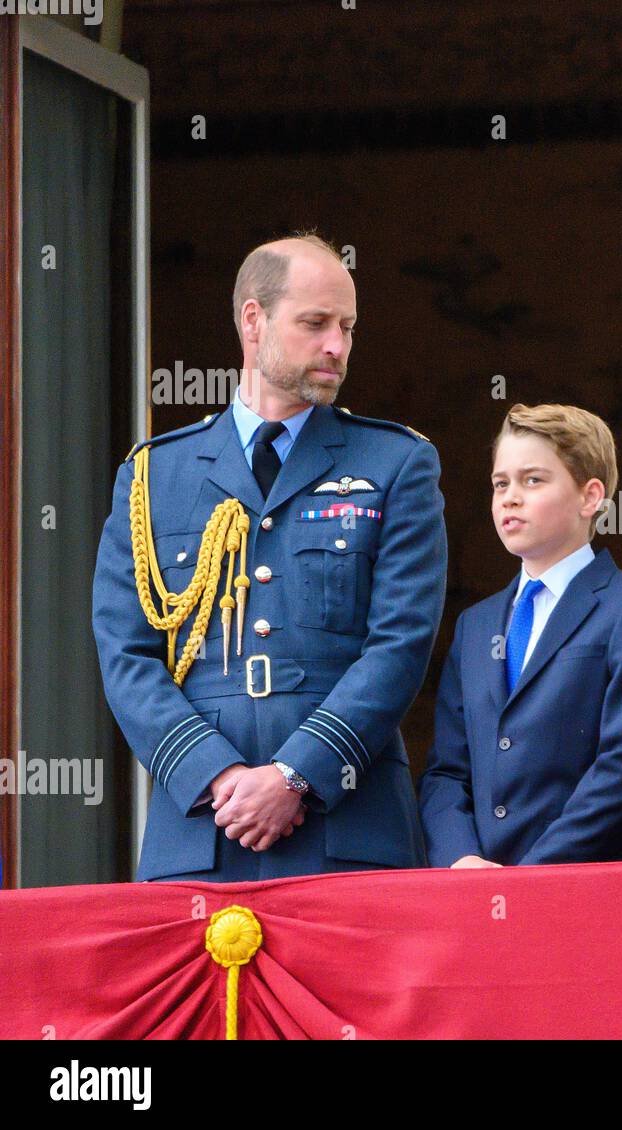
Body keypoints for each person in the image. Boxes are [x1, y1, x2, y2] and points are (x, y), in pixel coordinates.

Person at [92, 234, 446, 881]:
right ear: (253, 320)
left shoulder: (395, 463)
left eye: (347, 326)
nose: (337, 345)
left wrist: (296, 774)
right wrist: (216, 773)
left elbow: (400, 644)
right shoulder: (154, 475)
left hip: (350, 829)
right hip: (201, 830)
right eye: (315, 323)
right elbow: (126, 652)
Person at [420, 404, 622, 867]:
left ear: (589, 496)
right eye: (501, 484)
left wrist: (530, 876)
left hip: (582, 894)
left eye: (533, 480)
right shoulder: (475, 625)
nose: (509, 498)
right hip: (475, 893)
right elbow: (447, 771)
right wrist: (461, 859)